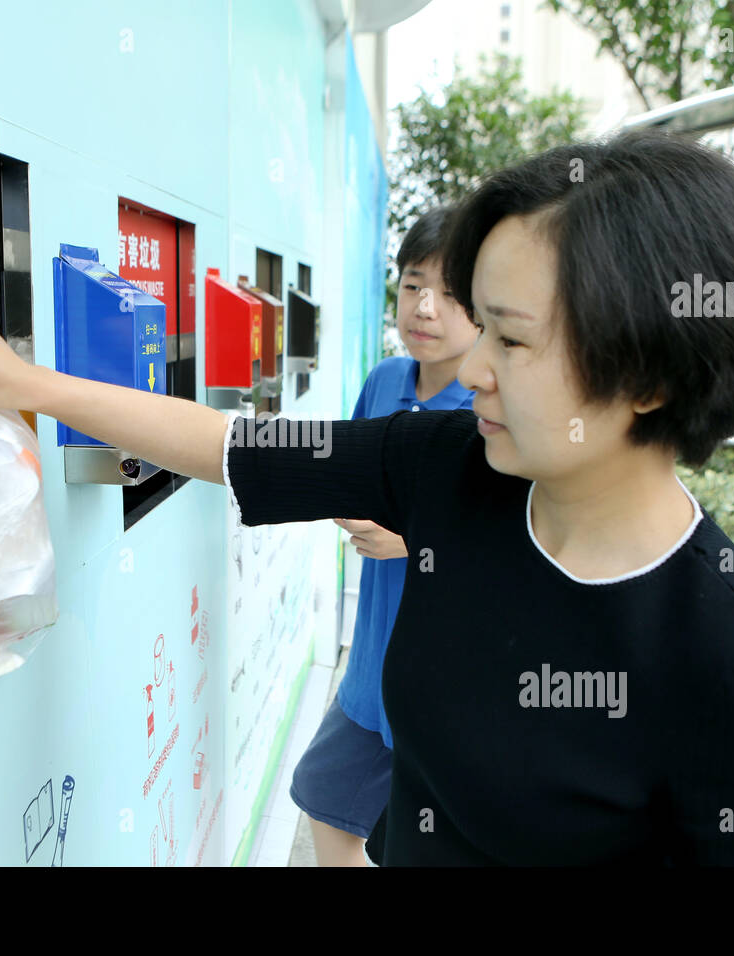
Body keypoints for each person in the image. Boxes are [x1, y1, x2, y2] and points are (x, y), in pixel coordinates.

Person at [0, 128, 734, 865]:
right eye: (479, 329)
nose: (477, 372)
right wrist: (28, 385)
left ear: (648, 377)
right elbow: (241, 443)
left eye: (512, 340)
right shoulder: (448, 466)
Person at [297, 205, 477, 867]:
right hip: (371, 669)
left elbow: (527, 537)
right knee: (324, 792)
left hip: (446, 688)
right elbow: (352, 471)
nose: (424, 307)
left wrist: (414, 538)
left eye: (450, 293)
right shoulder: (384, 382)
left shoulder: (495, 410)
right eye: (411, 285)